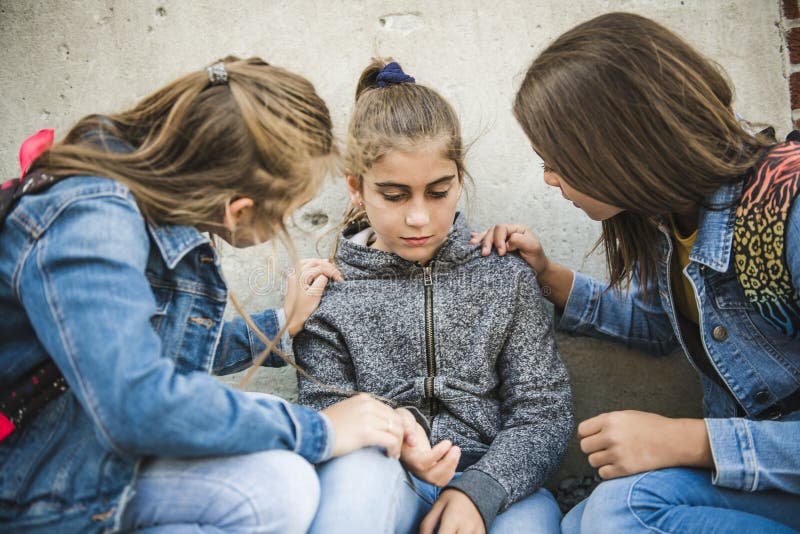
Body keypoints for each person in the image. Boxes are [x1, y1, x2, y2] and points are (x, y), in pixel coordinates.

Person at [0, 56, 410, 533]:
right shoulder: (89, 224)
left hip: (85, 453)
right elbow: (140, 402)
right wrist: (322, 430)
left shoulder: (144, 196)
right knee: (279, 483)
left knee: (283, 485)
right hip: (33, 489)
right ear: (238, 210)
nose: (283, 229)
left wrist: (279, 326)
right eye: (286, 214)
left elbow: (150, 346)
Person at [473, 12, 800, 533]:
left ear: (618, 142)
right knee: (583, 519)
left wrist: (690, 441)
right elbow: (660, 320)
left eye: (556, 160)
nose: (550, 180)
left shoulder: (787, 207)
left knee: (617, 513)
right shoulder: (681, 216)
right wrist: (547, 275)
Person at [293, 59, 573, 534]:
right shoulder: (328, 295)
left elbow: (544, 410)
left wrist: (480, 490)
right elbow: (325, 416)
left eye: (438, 192)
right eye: (395, 195)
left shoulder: (503, 277)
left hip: (499, 487)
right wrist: (398, 442)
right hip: (385, 475)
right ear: (357, 188)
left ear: (459, 179)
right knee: (354, 496)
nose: (419, 218)